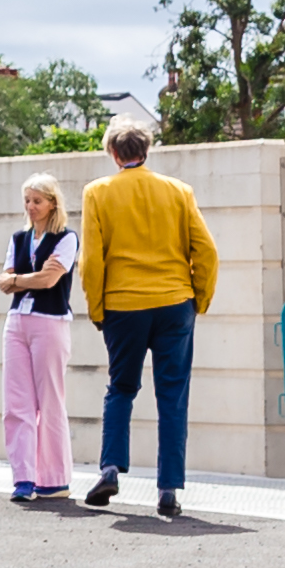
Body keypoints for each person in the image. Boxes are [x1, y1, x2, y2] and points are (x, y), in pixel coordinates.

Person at [82, 118, 219, 518]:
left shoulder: (98, 193)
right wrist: (199, 299)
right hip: (175, 301)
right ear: (147, 149)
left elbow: (92, 260)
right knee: (172, 396)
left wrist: (97, 308)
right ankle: (168, 488)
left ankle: (110, 466)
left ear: (112, 153)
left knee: (121, 388)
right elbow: (205, 251)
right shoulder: (178, 191)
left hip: (123, 304)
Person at [0, 176, 80, 500]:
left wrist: (18, 279)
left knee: (50, 402)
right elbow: (3, 282)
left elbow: (49, 280)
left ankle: (54, 478)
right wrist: (21, 279)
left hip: (50, 321)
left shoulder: (66, 238)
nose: (31, 207)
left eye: (37, 201)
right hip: (17, 321)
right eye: (27, 201)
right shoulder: (19, 238)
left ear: (52, 203)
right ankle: (23, 478)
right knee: (16, 404)